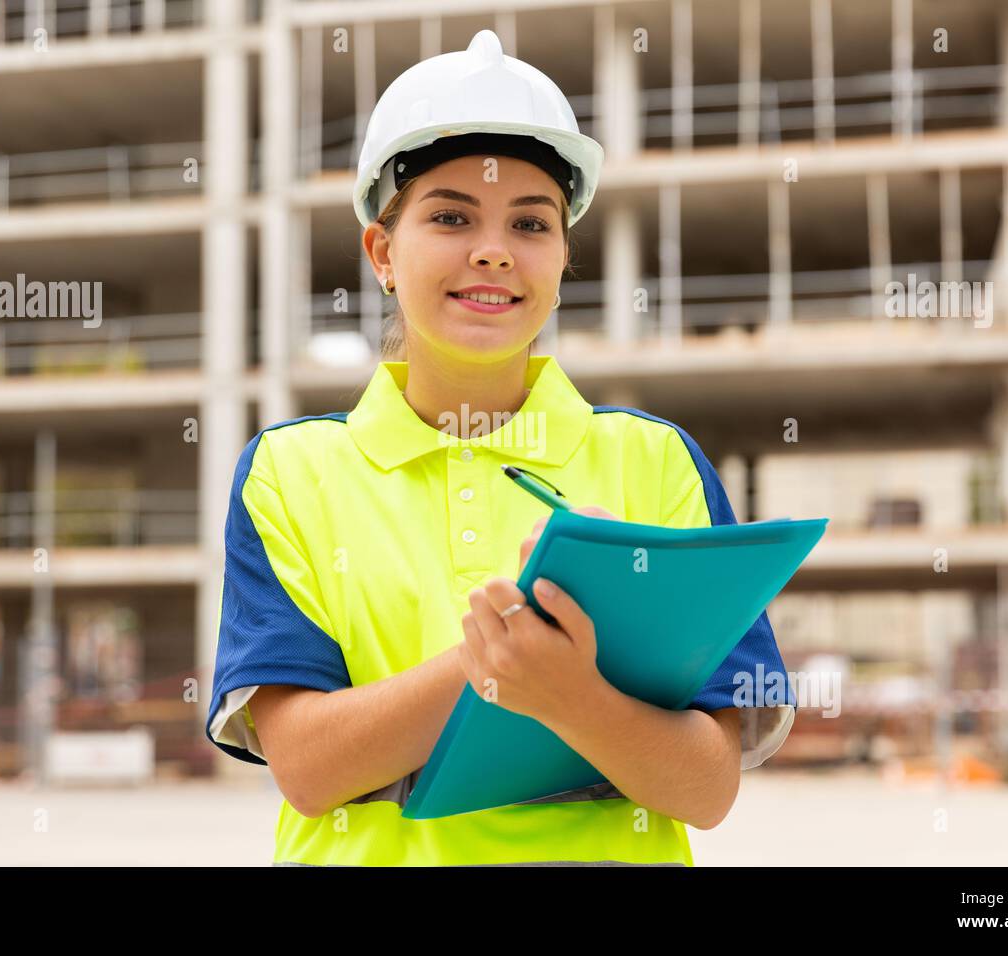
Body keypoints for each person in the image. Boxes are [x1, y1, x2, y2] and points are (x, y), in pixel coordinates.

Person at [206, 30, 796, 865]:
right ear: (380, 252)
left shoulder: (655, 462)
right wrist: (503, 655)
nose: (494, 249)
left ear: (561, 260)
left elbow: (706, 790)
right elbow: (306, 766)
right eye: (450, 216)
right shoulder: (292, 473)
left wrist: (574, 693)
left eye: (532, 223)